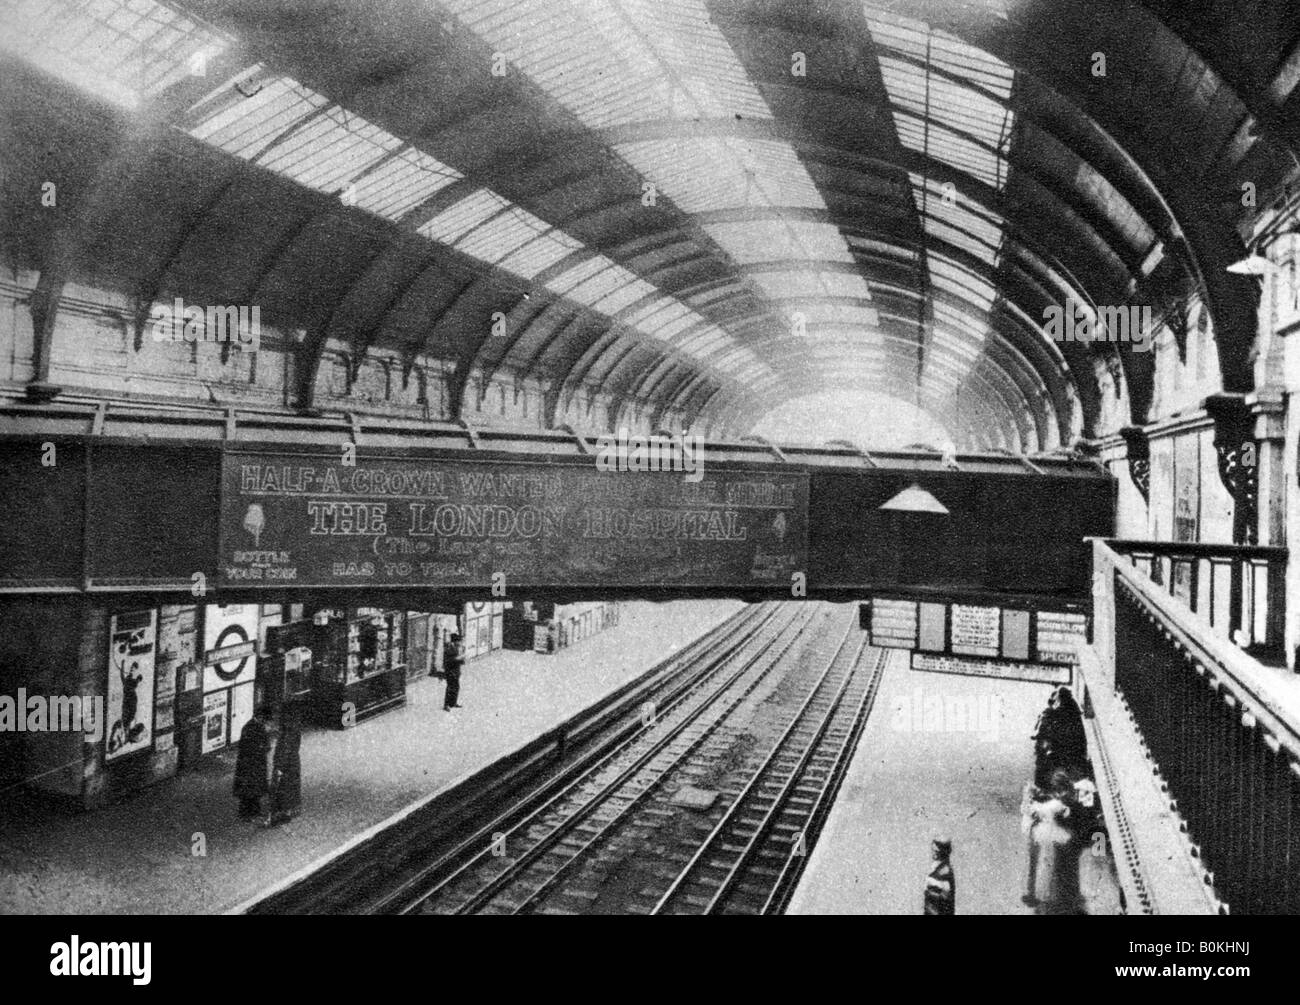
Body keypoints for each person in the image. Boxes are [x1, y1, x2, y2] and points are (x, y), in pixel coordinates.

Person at [1027, 770, 1085, 915]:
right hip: (1066, 838)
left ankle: (1050, 899)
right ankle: (1066, 898)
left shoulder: (1056, 803)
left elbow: (1040, 810)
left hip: (1051, 837)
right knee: (1063, 870)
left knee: (1048, 868)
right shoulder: (1068, 800)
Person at [233, 704, 273, 820]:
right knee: (249, 790)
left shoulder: (255, 727)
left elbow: (266, 745)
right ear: (260, 716)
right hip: (249, 764)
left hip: (255, 763)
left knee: (255, 789)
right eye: (264, 719)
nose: (265, 722)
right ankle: (246, 814)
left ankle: (255, 811)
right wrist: (262, 747)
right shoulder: (250, 728)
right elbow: (247, 747)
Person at [268, 706, 302, 826]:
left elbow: (285, 750)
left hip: (285, 765)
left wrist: (279, 767)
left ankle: (282, 814)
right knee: (291, 788)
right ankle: (288, 811)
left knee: (283, 789)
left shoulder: (287, 733)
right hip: (293, 762)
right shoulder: (295, 729)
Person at [923, 836, 956, 915]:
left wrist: (931, 882)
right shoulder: (938, 868)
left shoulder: (945, 870)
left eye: (935, 851)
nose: (933, 853)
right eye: (933, 850)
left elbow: (945, 893)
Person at [443, 632, 465, 710]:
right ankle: (446, 705)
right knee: (450, 688)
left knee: (456, 687)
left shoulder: (458, 648)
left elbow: (460, 661)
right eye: (458, 641)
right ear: (455, 641)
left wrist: (462, 659)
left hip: (456, 671)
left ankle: (453, 703)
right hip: (450, 671)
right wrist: (458, 658)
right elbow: (448, 660)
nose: (460, 643)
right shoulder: (450, 648)